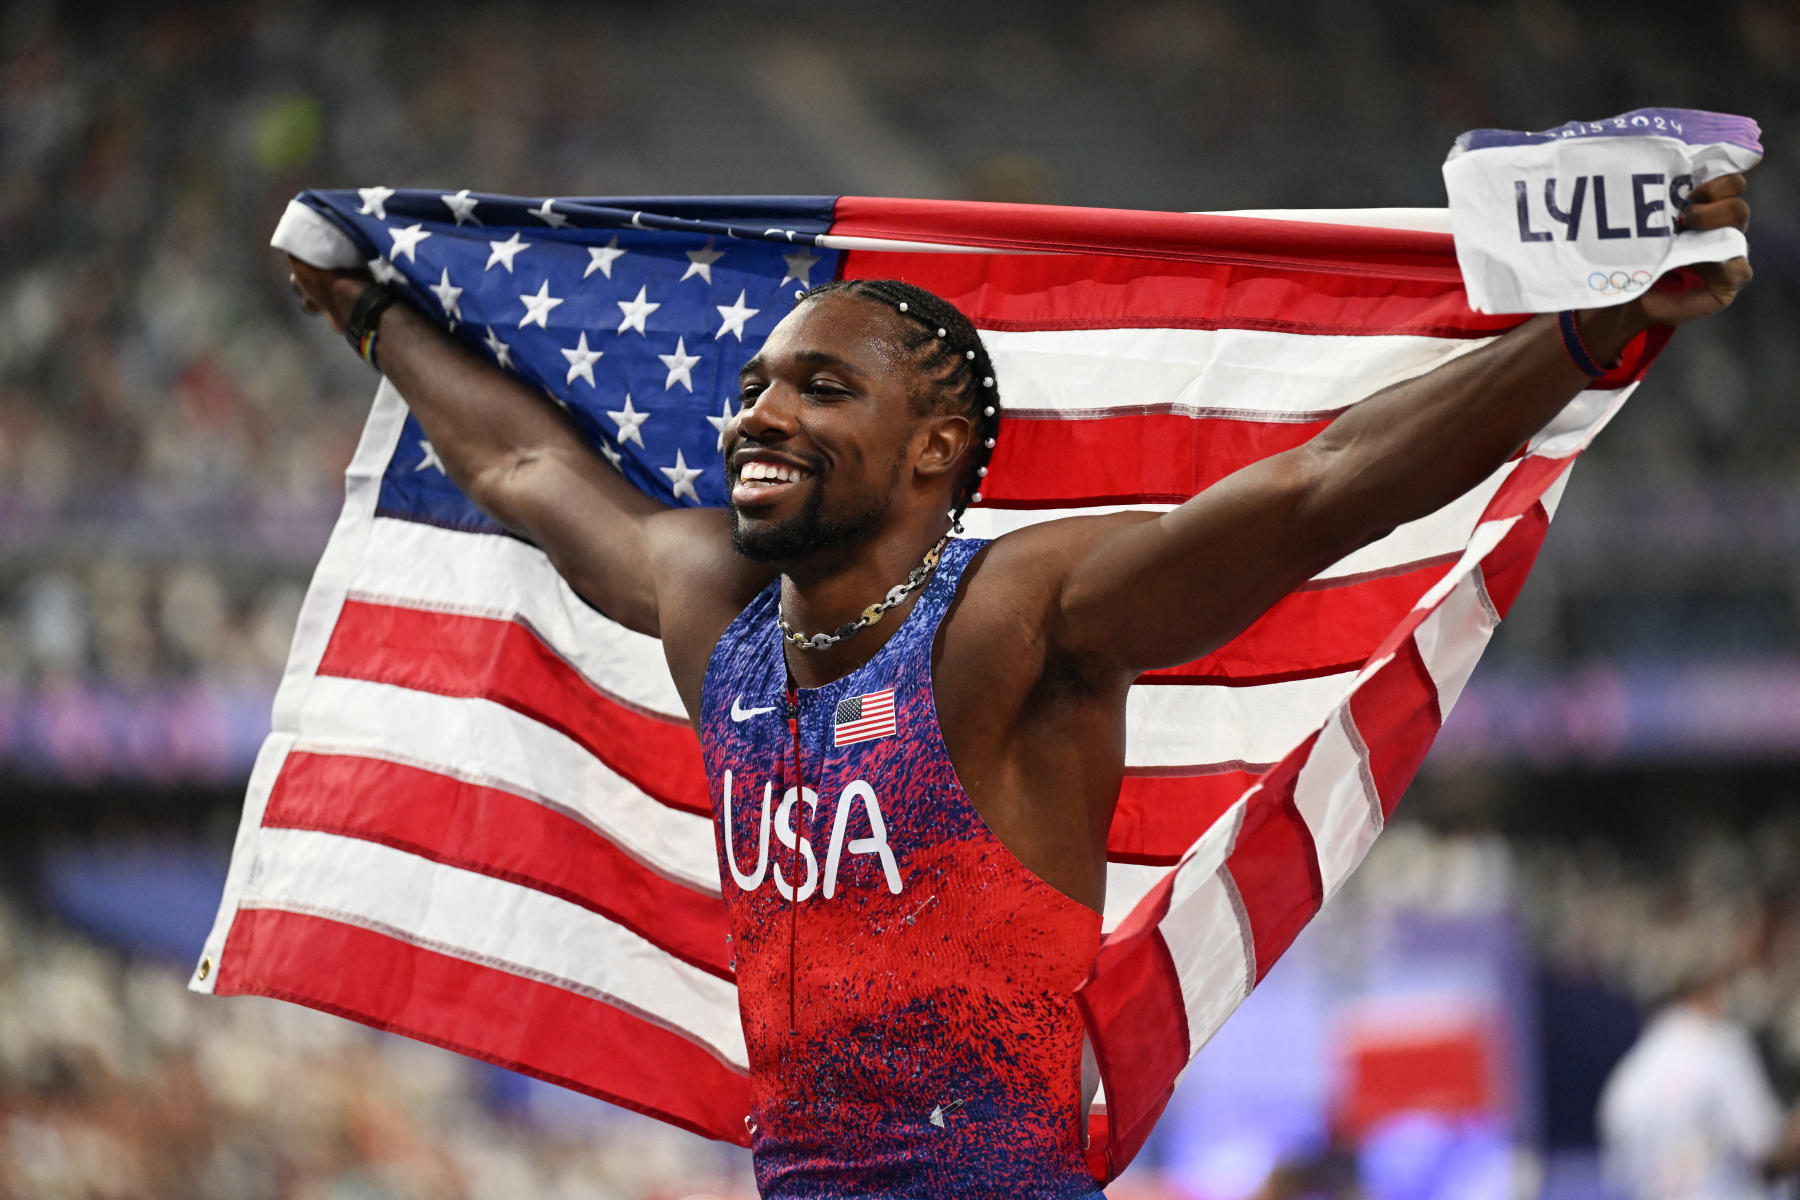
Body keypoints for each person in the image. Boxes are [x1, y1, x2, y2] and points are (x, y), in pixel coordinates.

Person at [286, 173, 1751, 1200]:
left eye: (819, 390)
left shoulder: (1016, 619)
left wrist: (1588, 334)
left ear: (934, 451)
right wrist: (368, 313)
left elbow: (1317, 492)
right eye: (753, 390)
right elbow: (523, 465)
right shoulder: (714, 610)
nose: (759, 416)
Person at [1599, 962, 1800, 1200]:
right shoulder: (1721, 1048)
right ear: (1703, 996)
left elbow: (1619, 1168)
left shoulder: (1631, 1072)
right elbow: (1763, 1143)